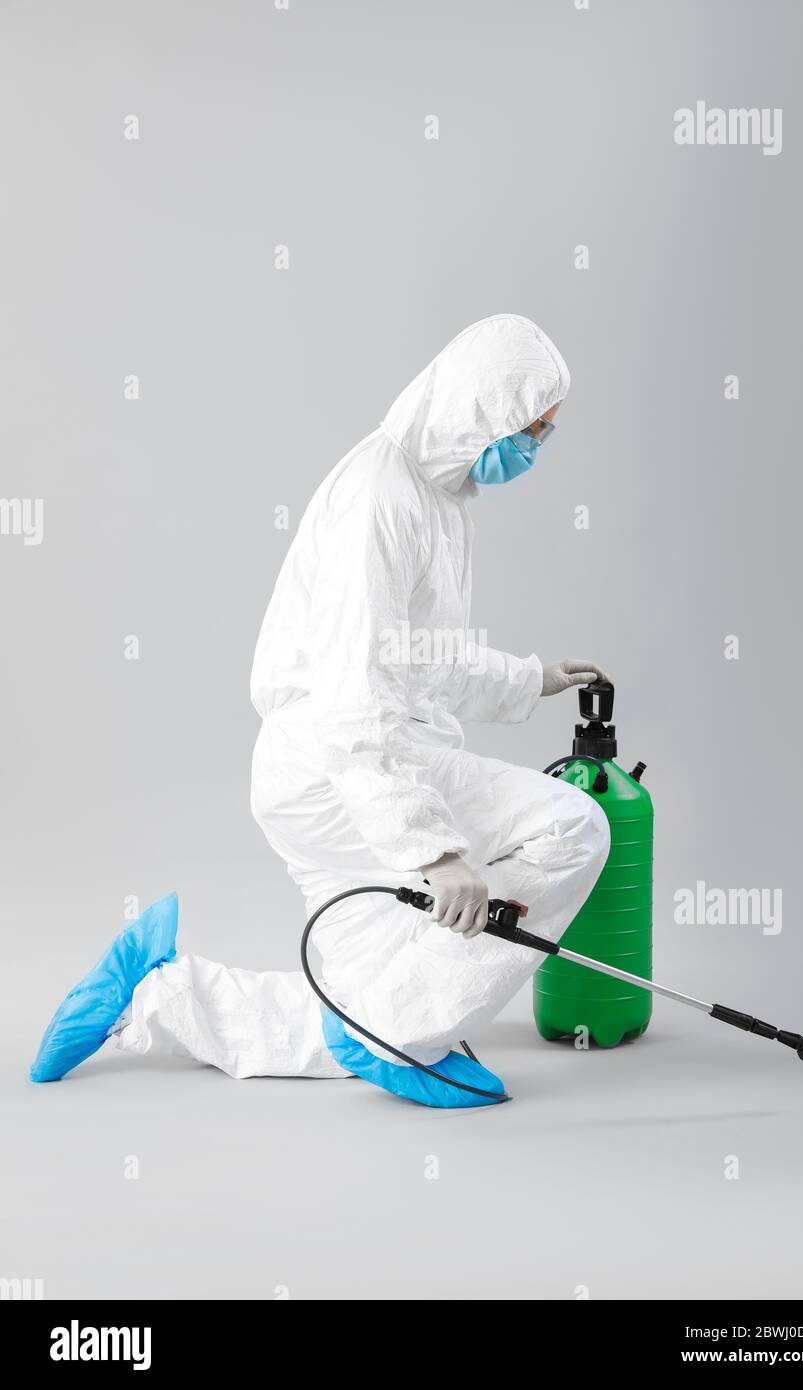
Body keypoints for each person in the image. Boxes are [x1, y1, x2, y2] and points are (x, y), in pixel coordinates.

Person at [30, 314, 611, 1107]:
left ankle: (152, 996)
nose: (535, 448)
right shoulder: (380, 500)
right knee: (573, 827)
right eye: (528, 428)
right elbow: (353, 695)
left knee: (366, 1001)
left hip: (322, 772)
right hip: (341, 768)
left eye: (545, 432)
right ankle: (402, 1036)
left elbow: (418, 657)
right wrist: (433, 850)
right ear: (479, 409)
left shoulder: (434, 495)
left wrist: (526, 679)